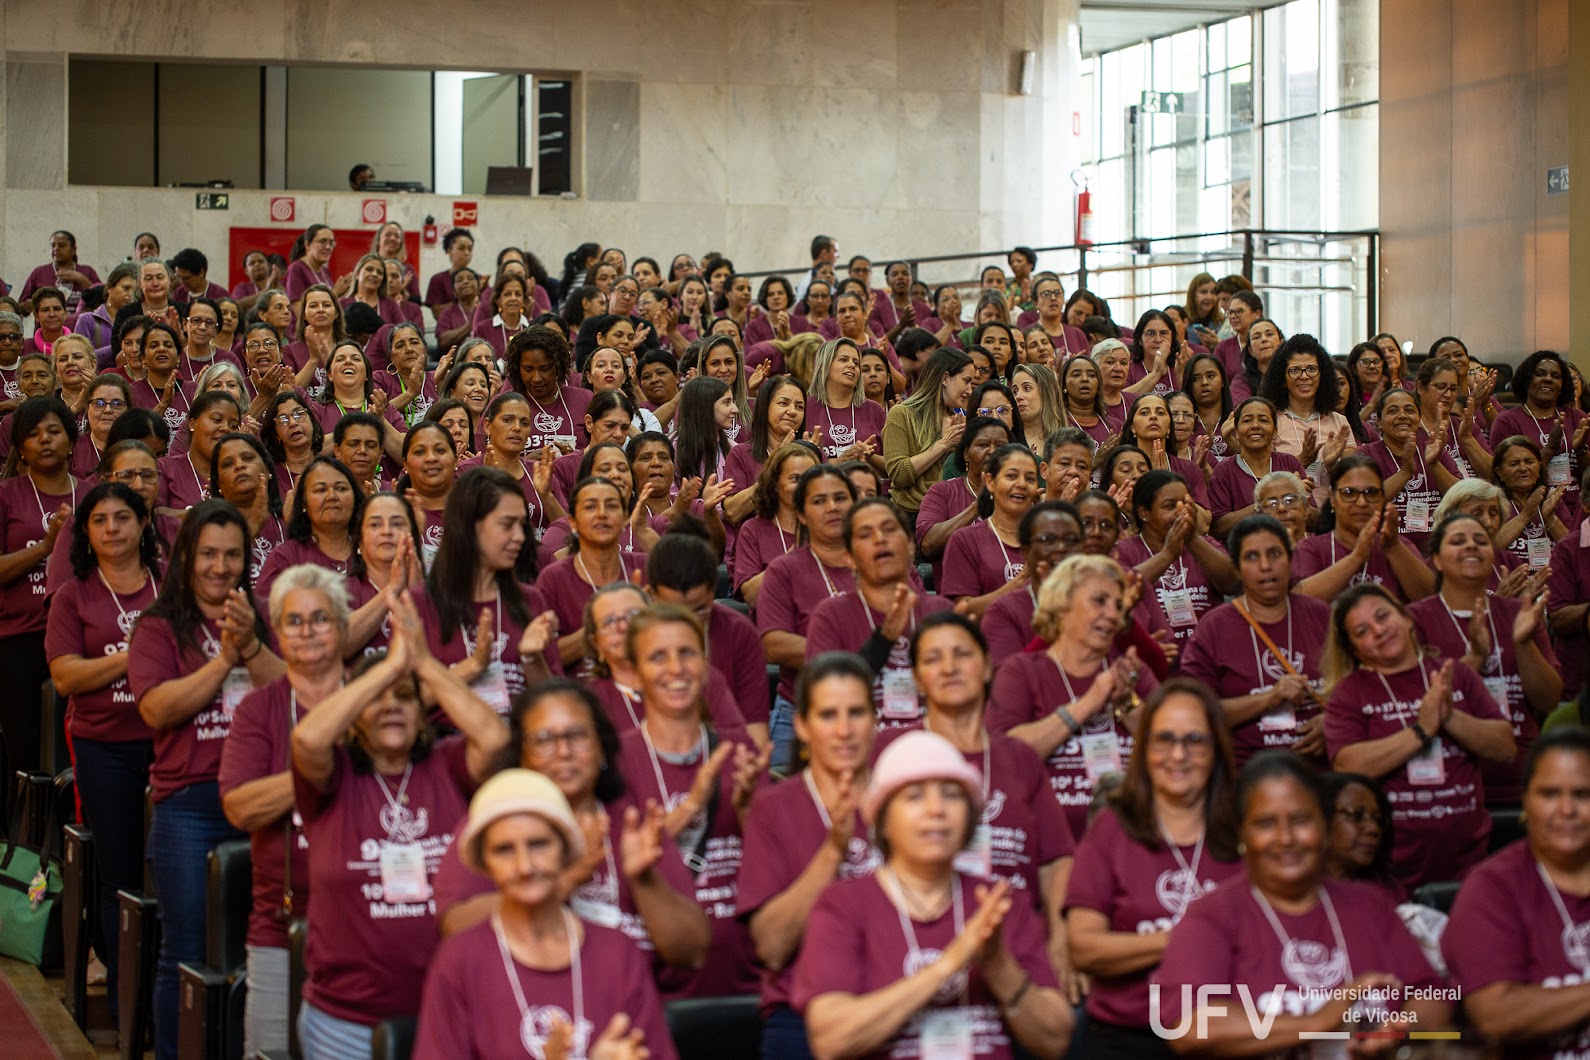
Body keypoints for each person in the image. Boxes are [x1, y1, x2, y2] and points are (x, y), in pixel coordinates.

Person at [287, 588, 507, 1057]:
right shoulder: (334, 777)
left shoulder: (447, 766)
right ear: (354, 716)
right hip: (345, 1023)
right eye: (376, 699)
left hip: (447, 1011)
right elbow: (306, 741)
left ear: (423, 714)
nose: (391, 706)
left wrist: (422, 664)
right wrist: (389, 668)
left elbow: (494, 739)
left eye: (404, 698)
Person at [792, 729, 1073, 1059]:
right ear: (882, 821)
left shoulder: (998, 902)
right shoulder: (843, 906)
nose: (936, 809)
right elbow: (830, 1040)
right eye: (914, 797)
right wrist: (948, 964)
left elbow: (1055, 1040)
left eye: (951, 795)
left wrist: (999, 967)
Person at [1152, 751, 1451, 1055]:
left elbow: (1431, 996)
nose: (1286, 838)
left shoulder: (1370, 904)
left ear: (1325, 827)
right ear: (1242, 833)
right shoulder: (1211, 916)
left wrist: (1399, 1029)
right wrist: (1319, 1020)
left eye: (1301, 820)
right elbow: (1192, 1027)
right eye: (1266, 823)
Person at [127, 500, 285, 1060]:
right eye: (209, 554)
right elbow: (157, 709)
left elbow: (297, 696)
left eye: (233, 555)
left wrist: (254, 649)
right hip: (190, 806)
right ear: (187, 555)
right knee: (187, 952)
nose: (220, 567)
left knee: (261, 951)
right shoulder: (159, 625)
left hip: (265, 804)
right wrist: (223, 662)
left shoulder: (260, 614)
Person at [414, 764, 678, 1060]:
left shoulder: (618, 952)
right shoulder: (460, 961)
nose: (525, 866)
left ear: (565, 850)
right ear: (485, 864)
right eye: (503, 850)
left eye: (539, 844)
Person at [889, 614, 1077, 971]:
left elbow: (1056, 859)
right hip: (916, 946)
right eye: (932, 659)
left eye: (962, 654)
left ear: (988, 667)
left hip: (1018, 940)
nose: (949, 668)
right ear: (916, 680)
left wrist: (1060, 939)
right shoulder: (894, 751)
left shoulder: (1019, 757)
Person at [1065, 680, 1243, 1057]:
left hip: (1228, 1035)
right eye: (1164, 739)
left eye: (1194, 739)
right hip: (1127, 1038)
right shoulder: (1111, 828)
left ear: (1216, 749)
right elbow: (1083, 948)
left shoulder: (1244, 831)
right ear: (1144, 749)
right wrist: (1185, 938)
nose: (1178, 755)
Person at [218, 565, 348, 1057]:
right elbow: (240, 805)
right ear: (276, 631)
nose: (309, 630)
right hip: (282, 920)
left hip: (367, 922)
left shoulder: (372, 701)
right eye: (294, 621)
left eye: (321, 618)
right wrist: (320, 767)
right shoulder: (260, 710)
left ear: (341, 626)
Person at [45, 482, 158, 1024]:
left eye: (122, 518)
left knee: (165, 870)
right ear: (85, 534)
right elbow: (66, 676)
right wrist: (135, 656)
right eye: (100, 521)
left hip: (172, 742)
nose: (112, 528)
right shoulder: (75, 595)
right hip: (104, 747)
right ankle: (124, 999)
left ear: (142, 523)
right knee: (120, 876)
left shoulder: (169, 586)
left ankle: (161, 990)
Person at [611, 604, 767, 998]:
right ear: (634, 670)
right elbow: (615, 872)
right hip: (650, 983)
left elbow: (773, 868)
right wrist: (691, 807)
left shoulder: (739, 750)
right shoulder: (613, 761)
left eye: (686, 653)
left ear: (705, 661)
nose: (675, 669)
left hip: (743, 979)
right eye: (657, 656)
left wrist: (751, 813)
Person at [1323, 582, 1516, 887]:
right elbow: (1348, 764)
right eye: (1362, 631)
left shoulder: (1454, 674)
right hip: (1389, 868)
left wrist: (1449, 717)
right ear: (1354, 649)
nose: (1378, 630)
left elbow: (1505, 747)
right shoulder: (1350, 693)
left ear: (1407, 618)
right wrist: (1421, 730)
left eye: (1383, 616)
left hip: (1469, 862)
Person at [736, 653, 880, 1058]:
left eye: (856, 713)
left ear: (875, 721)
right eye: (827, 715)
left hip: (896, 998)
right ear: (800, 725)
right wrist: (834, 850)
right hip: (802, 1011)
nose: (844, 730)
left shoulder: (904, 799)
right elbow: (772, 948)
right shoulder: (774, 808)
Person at [1444, 729, 1590, 1056]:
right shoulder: (1492, 889)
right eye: (1550, 794)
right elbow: (1495, 1014)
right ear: (1525, 800)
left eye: (1583, 794)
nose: (1567, 809)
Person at [988, 554, 1158, 837]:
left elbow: (1170, 751)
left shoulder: (1131, 672)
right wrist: (1087, 705)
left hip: (1132, 836)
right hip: (1048, 840)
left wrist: (1128, 704)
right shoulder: (1021, 672)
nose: (1113, 614)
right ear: (1062, 604)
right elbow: (1002, 757)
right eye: (1099, 601)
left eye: (1118, 605)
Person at [1409, 512, 1559, 804]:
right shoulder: (1414, 619)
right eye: (1458, 541)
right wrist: (1475, 658)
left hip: (1521, 782)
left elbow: (1548, 701)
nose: (1472, 547)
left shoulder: (1519, 614)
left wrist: (1523, 643)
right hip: (1447, 786)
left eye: (1481, 541)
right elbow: (1414, 705)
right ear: (1436, 560)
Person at [1180, 514, 1330, 765]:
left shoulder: (1322, 616)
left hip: (1319, 770)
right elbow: (1196, 711)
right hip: (1246, 774)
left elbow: (1357, 689)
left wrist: (1333, 719)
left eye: (1274, 554)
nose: (1265, 566)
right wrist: (1270, 698)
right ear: (1237, 568)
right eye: (1251, 557)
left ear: (1291, 559)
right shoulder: (1214, 627)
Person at [413, 467, 557, 717]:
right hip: (446, 746)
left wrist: (532, 658)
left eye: (522, 525)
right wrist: (471, 668)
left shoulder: (531, 601)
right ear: (469, 525)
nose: (520, 537)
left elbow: (554, 706)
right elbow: (405, 708)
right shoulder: (419, 604)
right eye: (507, 525)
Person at [805, 499, 953, 726]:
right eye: (865, 534)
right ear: (849, 558)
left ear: (911, 545)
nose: (880, 539)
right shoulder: (830, 616)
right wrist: (884, 640)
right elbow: (825, 699)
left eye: (889, 529)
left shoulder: (940, 611)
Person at [0, 396, 82, 774]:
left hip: (85, 637)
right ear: (20, 448)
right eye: (33, 435)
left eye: (54, 431)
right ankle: (27, 828)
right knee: (25, 743)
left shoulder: (92, 493)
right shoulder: (6, 495)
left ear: (71, 438)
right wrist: (47, 548)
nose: (45, 440)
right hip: (21, 635)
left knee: (79, 744)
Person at [758, 466, 858, 771]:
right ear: (800, 514)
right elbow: (773, 643)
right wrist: (858, 653)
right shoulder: (784, 569)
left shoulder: (882, 560)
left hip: (880, 708)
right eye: (819, 501)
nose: (832, 507)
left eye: (841, 498)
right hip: (800, 710)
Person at [1114, 470, 1239, 658]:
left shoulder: (1205, 544)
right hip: (1151, 660)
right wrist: (1167, 554)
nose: (1181, 512)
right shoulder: (1123, 550)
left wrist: (1193, 540)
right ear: (1144, 512)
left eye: (1186, 504)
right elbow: (1121, 591)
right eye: (1169, 506)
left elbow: (1232, 583)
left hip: (1207, 658)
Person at [537, 475, 649, 668]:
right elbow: (542, 657)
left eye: (612, 506)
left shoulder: (645, 568)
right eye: (590, 507)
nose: (602, 514)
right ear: (572, 522)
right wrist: (600, 630)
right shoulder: (553, 578)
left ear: (624, 519)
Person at [1291, 454, 1436, 602]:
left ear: (1382, 498)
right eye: (1349, 493)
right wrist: (1357, 557)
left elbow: (1432, 601)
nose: (1361, 503)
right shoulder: (1311, 549)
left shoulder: (1399, 546)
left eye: (1371, 493)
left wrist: (1393, 547)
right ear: (1333, 498)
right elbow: (1299, 603)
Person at [940, 443, 1040, 618]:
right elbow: (963, 611)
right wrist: (1019, 582)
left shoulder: (1046, 538)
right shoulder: (965, 540)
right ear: (990, 482)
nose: (1022, 484)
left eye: (1030, 479)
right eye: (1011, 476)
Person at [1492, 349, 1589, 525]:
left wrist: (1581, 449)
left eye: (1556, 376)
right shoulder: (1507, 421)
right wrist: (1550, 449)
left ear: (1563, 385)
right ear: (1527, 379)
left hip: (1579, 508)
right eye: (1540, 374)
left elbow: (1588, 475)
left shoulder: (1577, 418)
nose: (1548, 379)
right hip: (1529, 510)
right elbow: (1502, 477)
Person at [1359, 386, 1460, 552]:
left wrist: (1434, 465)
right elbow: (1365, 502)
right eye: (1392, 411)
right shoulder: (1367, 454)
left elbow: (1460, 498)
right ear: (1379, 422)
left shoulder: (1434, 449)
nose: (1402, 416)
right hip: (1384, 549)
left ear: (1419, 419)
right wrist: (1405, 472)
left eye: (1409, 410)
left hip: (1437, 550)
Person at [254, 455, 362, 605]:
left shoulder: (370, 551)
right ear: (303, 503)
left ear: (355, 499)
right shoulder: (285, 557)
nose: (332, 496)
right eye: (320, 490)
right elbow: (263, 617)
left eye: (341, 488)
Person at [882, 347, 976, 516]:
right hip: (910, 515)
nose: (969, 390)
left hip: (951, 514)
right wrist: (943, 445)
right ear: (945, 378)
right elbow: (898, 474)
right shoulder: (901, 414)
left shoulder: (959, 420)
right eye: (966, 381)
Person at [733, 441, 820, 605]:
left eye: (811, 478)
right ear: (774, 484)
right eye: (795, 479)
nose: (804, 486)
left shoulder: (828, 529)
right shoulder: (753, 530)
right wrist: (796, 552)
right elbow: (751, 597)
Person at [1207, 397, 1305, 537]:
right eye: (1247, 420)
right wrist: (1264, 504)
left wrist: (1299, 496)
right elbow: (1217, 527)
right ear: (1236, 432)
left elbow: (1315, 518)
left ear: (1275, 431)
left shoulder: (1289, 463)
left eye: (1263, 420)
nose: (1255, 425)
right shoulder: (1224, 470)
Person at [210, 432, 288, 583]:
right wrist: (252, 528)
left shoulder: (289, 520)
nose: (239, 465)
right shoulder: (207, 530)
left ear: (268, 470)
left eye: (248, 458)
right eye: (228, 464)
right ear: (219, 484)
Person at [1319, 771, 1403, 901]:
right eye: (1357, 816)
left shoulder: (1387, 888)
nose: (1373, 829)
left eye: (1378, 820)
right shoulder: (1292, 891)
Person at [17, 230, 101, 316]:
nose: (56, 248)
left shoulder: (87, 272)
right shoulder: (39, 273)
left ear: (73, 250)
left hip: (81, 328)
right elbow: (19, 308)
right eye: (53, 245)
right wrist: (26, 306)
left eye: (61, 245)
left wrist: (81, 279)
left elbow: (103, 301)